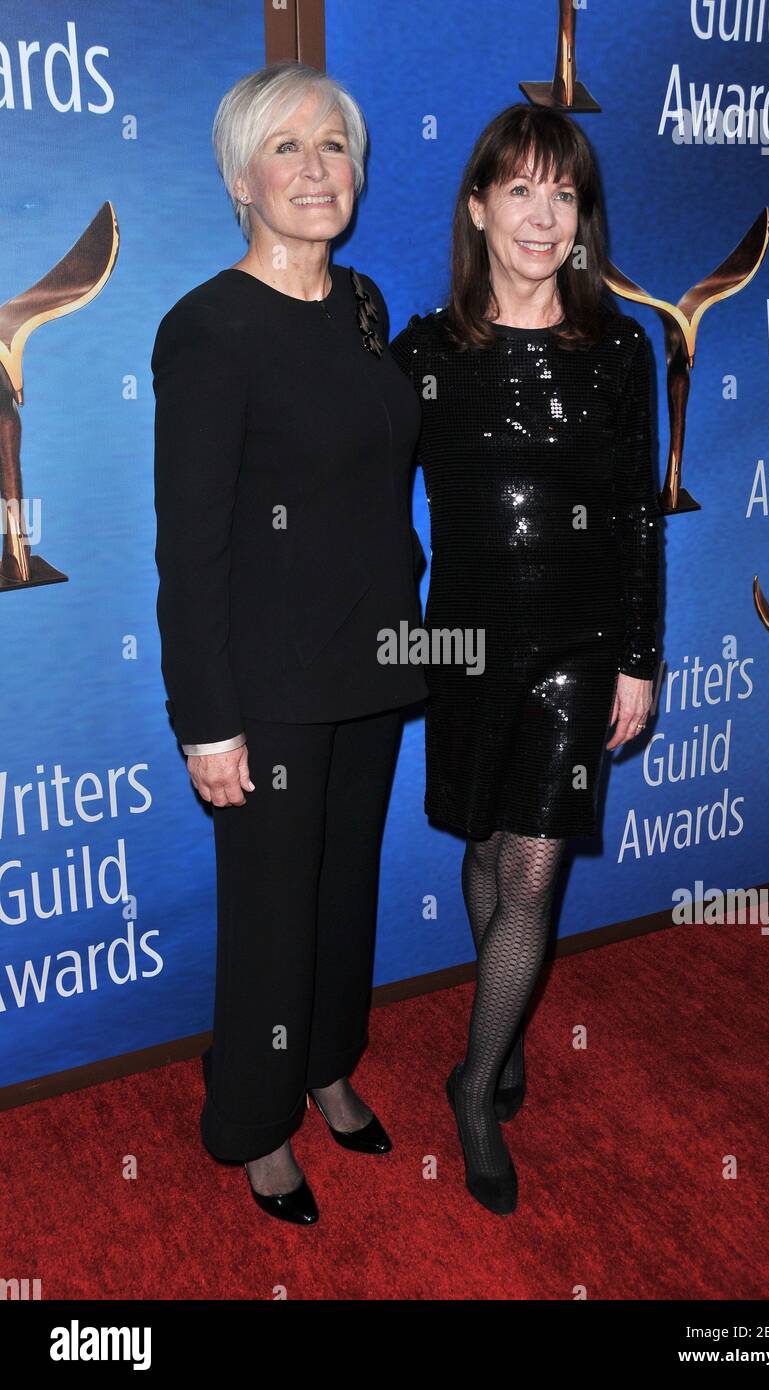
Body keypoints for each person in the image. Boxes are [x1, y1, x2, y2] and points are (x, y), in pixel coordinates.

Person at [152, 60, 427, 1224]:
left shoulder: (364, 307)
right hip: (266, 687)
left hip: (375, 663)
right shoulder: (208, 328)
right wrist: (205, 717)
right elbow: (191, 547)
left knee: (344, 887)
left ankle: (322, 1062)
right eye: (287, 149)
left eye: (335, 147)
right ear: (238, 178)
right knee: (272, 909)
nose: (317, 170)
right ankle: (254, 1119)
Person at [390, 104, 662, 1216]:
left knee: (537, 866)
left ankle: (469, 1078)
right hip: (460, 638)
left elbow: (639, 516)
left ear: (580, 216)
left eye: (563, 194)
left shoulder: (616, 348)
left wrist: (637, 659)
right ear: (477, 207)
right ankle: (497, 1041)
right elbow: (359, 498)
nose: (542, 214)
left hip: (577, 644)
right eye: (519, 191)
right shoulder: (421, 353)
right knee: (483, 843)